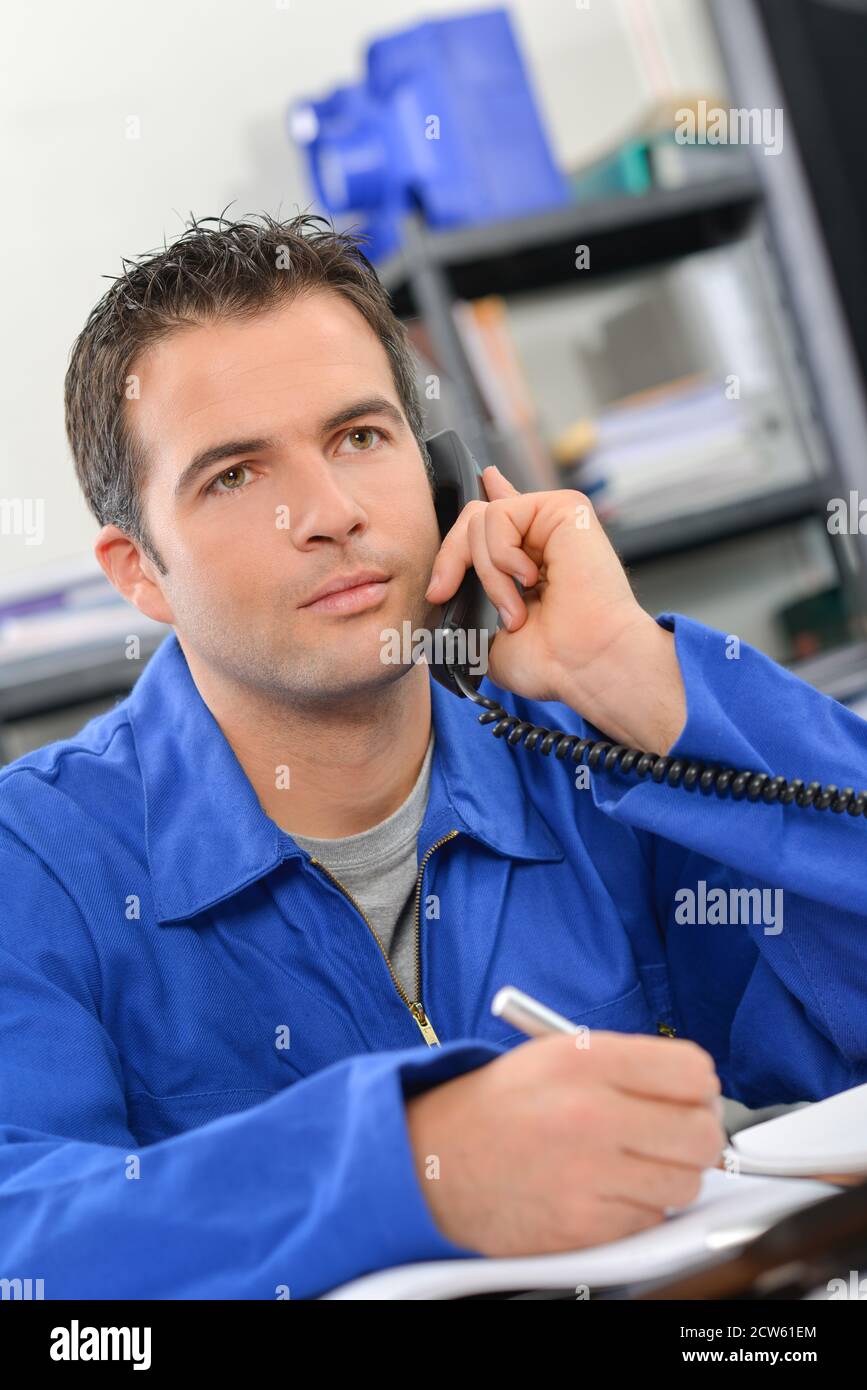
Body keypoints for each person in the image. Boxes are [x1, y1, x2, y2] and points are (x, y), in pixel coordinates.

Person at [1, 213, 865, 1300]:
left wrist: (646, 679)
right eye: (233, 475)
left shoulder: (588, 761)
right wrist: (406, 1167)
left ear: (438, 471)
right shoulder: (32, 857)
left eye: (361, 436)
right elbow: (22, 1233)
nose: (330, 512)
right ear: (141, 575)